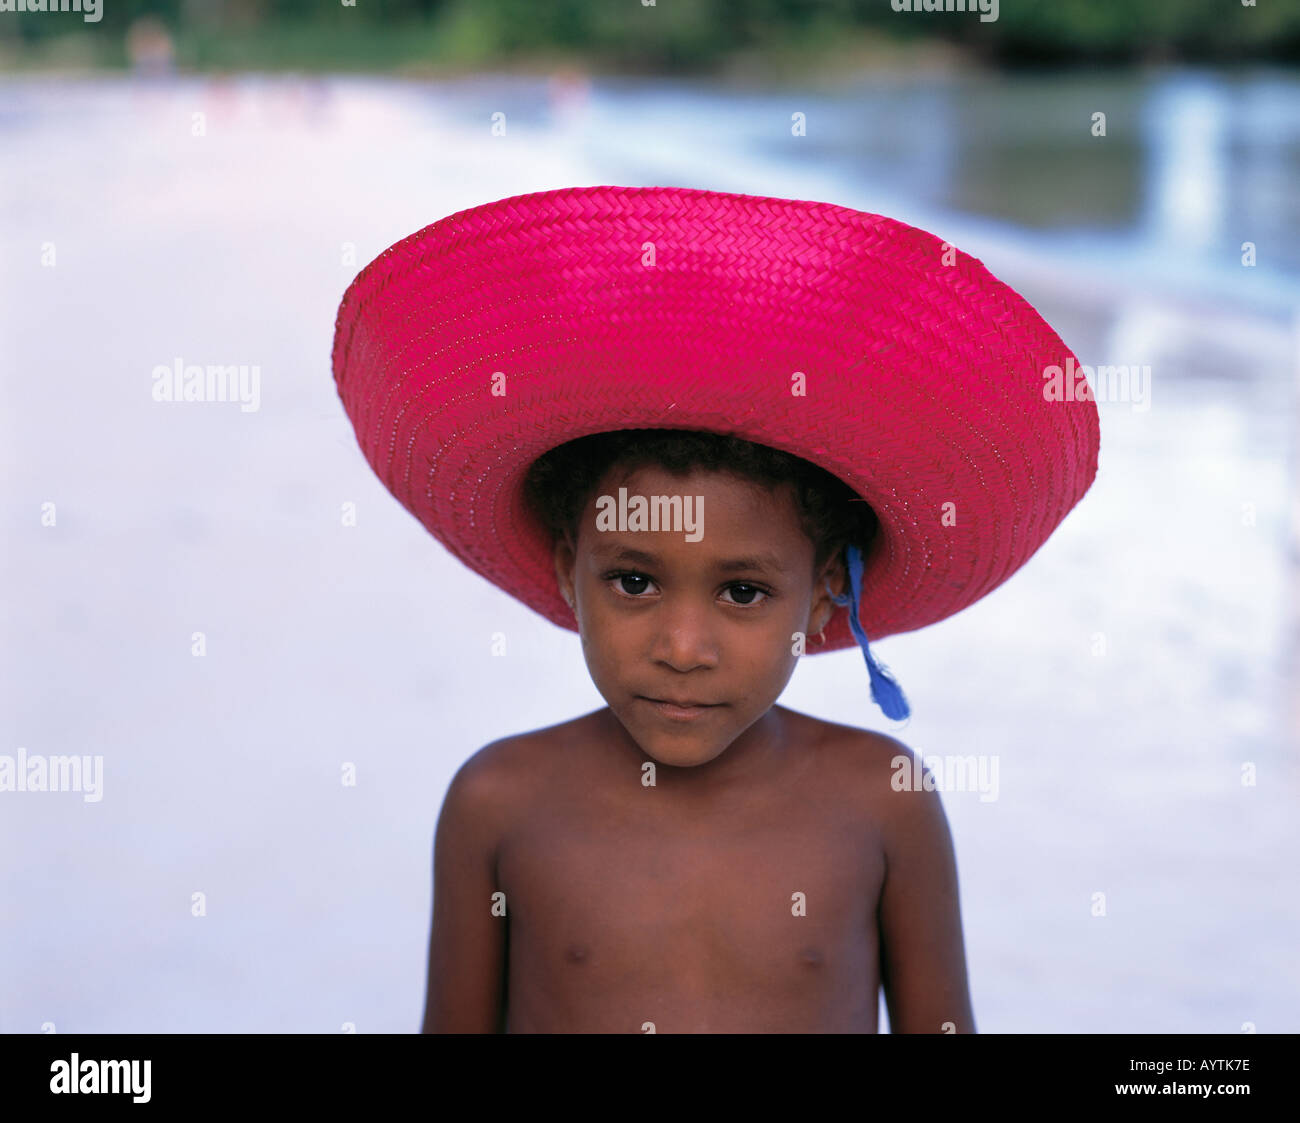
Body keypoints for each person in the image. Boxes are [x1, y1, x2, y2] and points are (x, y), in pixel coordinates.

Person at [330, 184, 1100, 1033]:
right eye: (634, 581)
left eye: (743, 592)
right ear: (565, 568)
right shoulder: (499, 802)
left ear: (823, 598)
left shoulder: (884, 798)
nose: (684, 646)